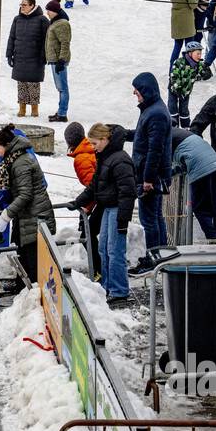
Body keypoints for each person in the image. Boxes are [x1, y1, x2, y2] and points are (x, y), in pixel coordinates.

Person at [73, 123, 136, 305]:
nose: (92, 147)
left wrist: (123, 219)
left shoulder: (119, 159)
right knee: (104, 249)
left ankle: (119, 290)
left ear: (104, 139)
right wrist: (79, 201)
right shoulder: (105, 156)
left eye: (94, 143)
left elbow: (128, 192)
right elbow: (95, 185)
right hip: (107, 207)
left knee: (115, 250)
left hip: (117, 209)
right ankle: (108, 286)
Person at [0, 125, 55, 288]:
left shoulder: (20, 163)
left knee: (32, 259)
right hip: (25, 216)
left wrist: (6, 215)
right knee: (21, 252)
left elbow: (26, 194)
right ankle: (23, 287)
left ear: (7, 146)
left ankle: (33, 293)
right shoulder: (14, 159)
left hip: (35, 217)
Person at [128, 72, 171, 272]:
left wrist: (147, 179)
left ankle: (154, 258)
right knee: (156, 217)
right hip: (153, 174)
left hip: (151, 176)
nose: (135, 94)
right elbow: (145, 137)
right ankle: (161, 255)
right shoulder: (153, 110)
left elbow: (155, 149)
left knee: (149, 219)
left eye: (137, 92)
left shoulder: (156, 114)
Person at [171, 127, 216, 242]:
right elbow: (183, 163)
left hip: (199, 169)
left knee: (199, 207)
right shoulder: (182, 134)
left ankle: (212, 237)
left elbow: (168, 165)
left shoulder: (165, 138)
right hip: (215, 164)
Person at [65, 121, 103, 272]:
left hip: (102, 200)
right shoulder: (89, 150)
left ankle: (99, 270)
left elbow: (93, 187)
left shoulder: (82, 159)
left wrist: (86, 208)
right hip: (102, 199)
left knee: (88, 234)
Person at [6, 0, 49, 117]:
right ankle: (22, 108)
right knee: (21, 84)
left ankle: (34, 109)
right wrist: (9, 54)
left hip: (35, 58)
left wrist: (43, 56)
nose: (22, 7)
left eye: (24, 5)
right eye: (21, 4)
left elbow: (46, 40)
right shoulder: (17, 19)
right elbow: (12, 37)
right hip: (19, 57)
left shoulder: (42, 20)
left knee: (33, 84)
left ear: (32, 6)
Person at [168, 40, 211, 129]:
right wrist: (178, 89)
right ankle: (173, 127)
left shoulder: (198, 64)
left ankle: (186, 127)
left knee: (184, 110)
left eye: (200, 54)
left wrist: (207, 71)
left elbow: (204, 74)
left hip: (186, 92)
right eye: (197, 54)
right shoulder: (179, 62)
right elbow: (174, 77)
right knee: (173, 109)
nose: (200, 56)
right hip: (174, 90)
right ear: (190, 53)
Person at [44, 0, 71, 122]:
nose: (47, 13)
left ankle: (62, 113)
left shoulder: (62, 24)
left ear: (55, 11)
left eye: (49, 10)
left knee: (62, 88)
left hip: (59, 61)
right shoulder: (55, 22)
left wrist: (61, 60)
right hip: (54, 59)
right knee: (60, 88)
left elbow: (65, 43)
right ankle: (60, 111)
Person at [168, 0, 199, 66]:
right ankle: (190, 68)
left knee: (177, 46)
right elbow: (193, 5)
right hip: (187, 20)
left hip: (176, 18)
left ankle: (172, 68)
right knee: (190, 47)